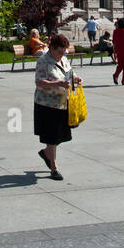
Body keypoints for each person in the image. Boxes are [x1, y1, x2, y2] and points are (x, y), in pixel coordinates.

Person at [34, 33, 78, 181]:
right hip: (46, 104)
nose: (61, 55)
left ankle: (47, 153)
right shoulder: (43, 61)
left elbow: (69, 73)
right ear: (52, 48)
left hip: (62, 103)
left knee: (60, 136)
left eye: (64, 52)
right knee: (51, 137)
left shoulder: (64, 59)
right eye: (59, 51)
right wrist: (58, 83)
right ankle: (54, 167)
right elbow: (39, 82)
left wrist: (75, 79)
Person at [112, 17, 124, 85]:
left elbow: (114, 42)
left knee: (120, 64)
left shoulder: (115, 31)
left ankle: (116, 75)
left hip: (118, 49)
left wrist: (114, 52)